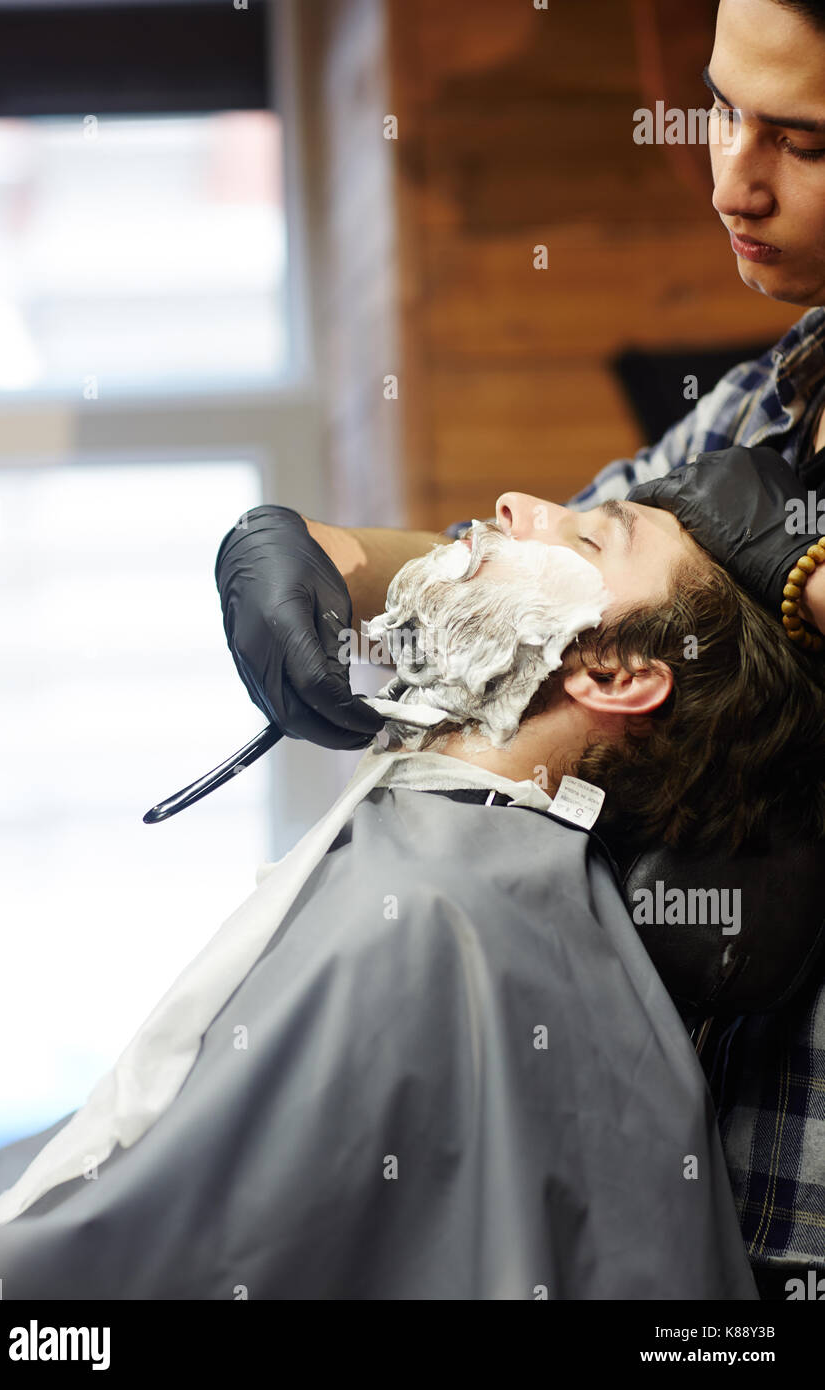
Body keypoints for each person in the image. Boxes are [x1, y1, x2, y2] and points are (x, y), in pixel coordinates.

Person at [213, 0, 825, 1293]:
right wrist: (315, 556)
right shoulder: (758, 409)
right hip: (710, 1222)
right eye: (721, 109)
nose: (731, 177)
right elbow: (556, 562)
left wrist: (807, 574)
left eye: (802, 140)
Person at [0, 495, 824, 1299]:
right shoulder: (488, 897)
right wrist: (305, 543)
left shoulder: (421, 913)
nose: (513, 503)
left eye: (589, 535)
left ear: (612, 675)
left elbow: (122, 1256)